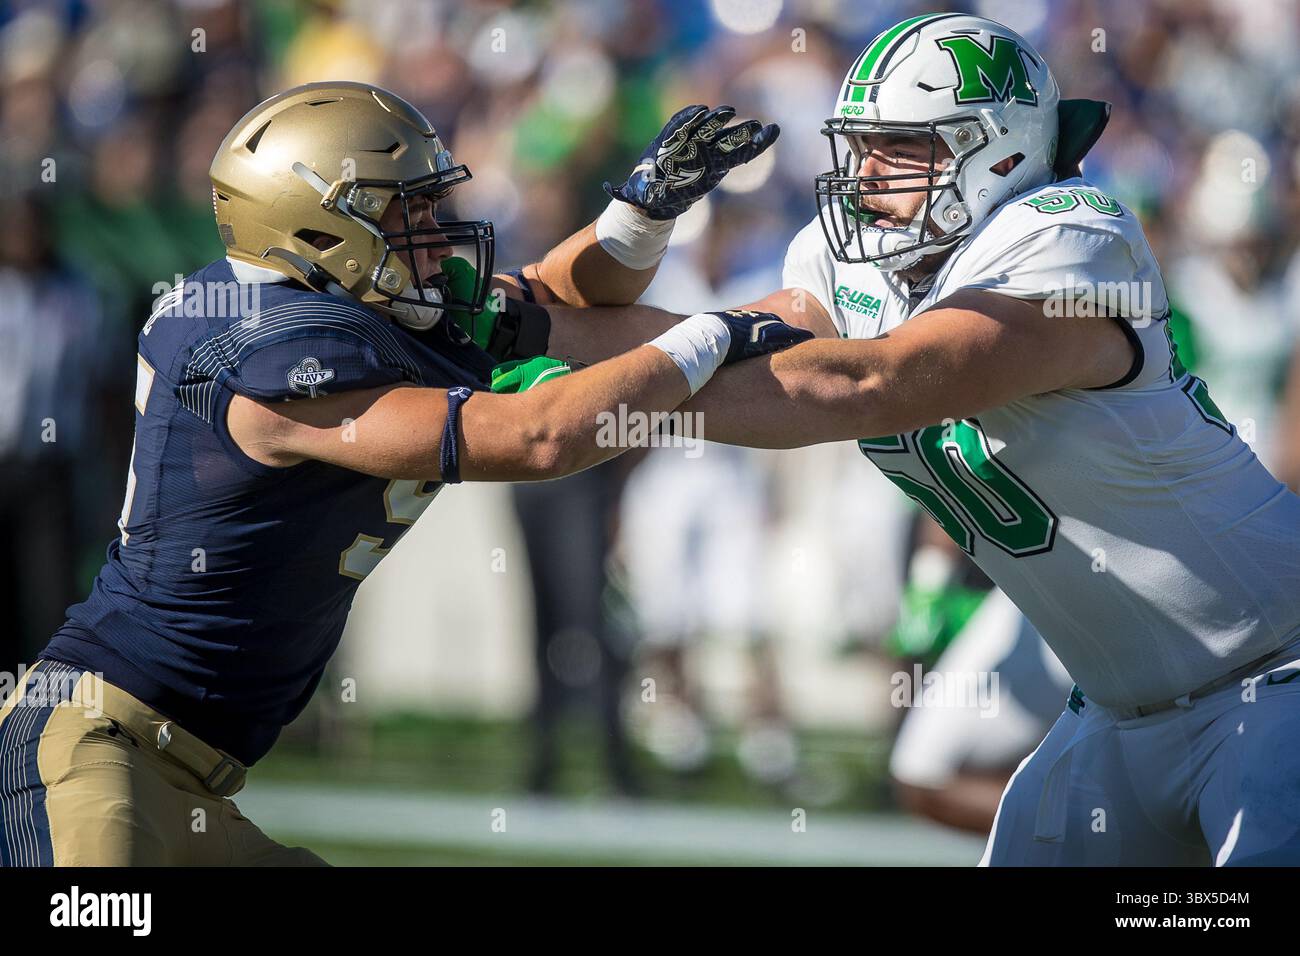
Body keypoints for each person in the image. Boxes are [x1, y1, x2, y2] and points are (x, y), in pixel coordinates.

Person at [0, 81, 807, 866]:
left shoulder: (361, 304)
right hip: (93, 749)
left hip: (190, 776)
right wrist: (710, 333)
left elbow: (555, 296)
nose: (436, 229)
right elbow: (538, 439)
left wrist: (642, 214)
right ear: (319, 227)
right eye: (406, 209)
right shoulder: (274, 348)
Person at [609, 14, 1300, 865]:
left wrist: (609, 402)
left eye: (899, 148)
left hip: (1271, 678)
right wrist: (530, 329)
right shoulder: (871, 271)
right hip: (1116, 701)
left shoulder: (1062, 236)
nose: (863, 177)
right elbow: (724, 352)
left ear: (998, 151)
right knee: (929, 770)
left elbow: (866, 384)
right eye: (860, 148)